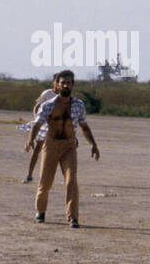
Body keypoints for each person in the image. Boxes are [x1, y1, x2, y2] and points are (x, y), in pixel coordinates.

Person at [26, 70, 100, 227]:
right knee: (45, 182)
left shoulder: (79, 105)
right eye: (63, 82)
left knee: (71, 181)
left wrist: (93, 144)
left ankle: (72, 217)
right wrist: (31, 140)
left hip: (69, 147)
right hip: (51, 145)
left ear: (73, 85)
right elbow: (36, 124)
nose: (66, 85)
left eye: (69, 82)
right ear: (57, 85)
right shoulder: (48, 105)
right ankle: (40, 212)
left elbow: (84, 127)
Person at [23, 75, 61, 182]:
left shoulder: (64, 96)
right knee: (37, 149)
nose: (60, 85)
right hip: (43, 124)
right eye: (57, 82)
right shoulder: (47, 93)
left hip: (56, 126)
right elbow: (36, 106)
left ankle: (64, 177)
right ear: (54, 83)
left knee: (60, 151)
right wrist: (36, 119)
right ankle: (29, 175)